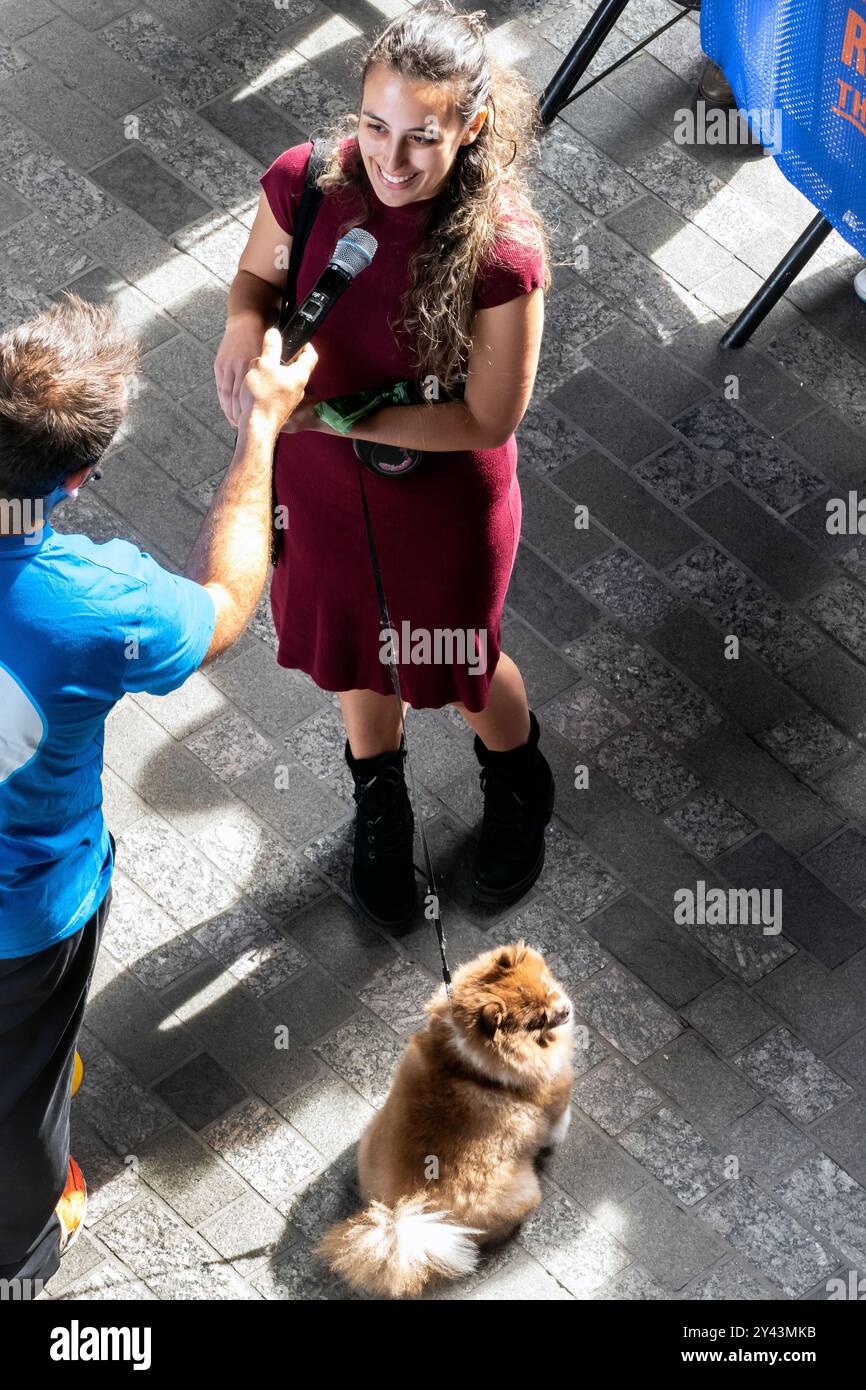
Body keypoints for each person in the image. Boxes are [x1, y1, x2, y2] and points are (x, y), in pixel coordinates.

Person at [0, 295, 316, 1294]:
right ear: (82, 474)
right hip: (24, 918)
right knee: (21, 1094)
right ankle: (18, 1249)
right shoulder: (101, 606)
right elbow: (226, 603)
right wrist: (262, 424)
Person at [215, 1, 555, 931]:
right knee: (357, 652)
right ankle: (380, 802)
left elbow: (489, 417)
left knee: (459, 661)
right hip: (321, 485)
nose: (390, 161)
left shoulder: (502, 251)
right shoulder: (308, 184)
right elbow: (255, 279)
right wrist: (244, 326)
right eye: (373, 127)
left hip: (439, 497)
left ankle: (517, 778)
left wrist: (322, 415)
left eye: (422, 138)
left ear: (472, 128)